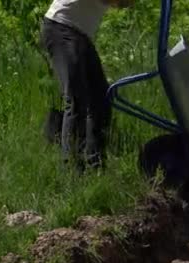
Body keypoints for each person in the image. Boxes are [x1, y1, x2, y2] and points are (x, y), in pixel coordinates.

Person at [40, 0, 133, 172]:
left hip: (80, 34)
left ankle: (94, 164)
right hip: (61, 27)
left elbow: (124, 3)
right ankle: (71, 169)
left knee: (100, 101)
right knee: (76, 100)